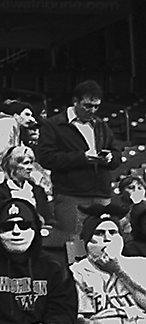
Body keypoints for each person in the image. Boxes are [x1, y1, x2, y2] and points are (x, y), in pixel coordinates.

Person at [0, 198, 77, 324]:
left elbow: (64, 311)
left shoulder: (56, 266)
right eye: (7, 226)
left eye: (24, 225)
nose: (16, 231)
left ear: (36, 228)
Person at [35, 80, 118, 240]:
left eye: (96, 106)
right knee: (72, 243)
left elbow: (116, 154)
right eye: (87, 106)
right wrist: (82, 158)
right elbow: (45, 157)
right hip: (71, 196)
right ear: (75, 101)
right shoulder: (54, 125)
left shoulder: (101, 125)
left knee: (103, 243)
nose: (92, 110)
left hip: (101, 195)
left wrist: (110, 158)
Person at [71, 211, 146, 324]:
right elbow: (80, 319)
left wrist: (120, 271)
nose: (107, 238)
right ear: (88, 241)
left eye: (113, 232)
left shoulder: (140, 264)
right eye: (99, 233)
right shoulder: (76, 272)